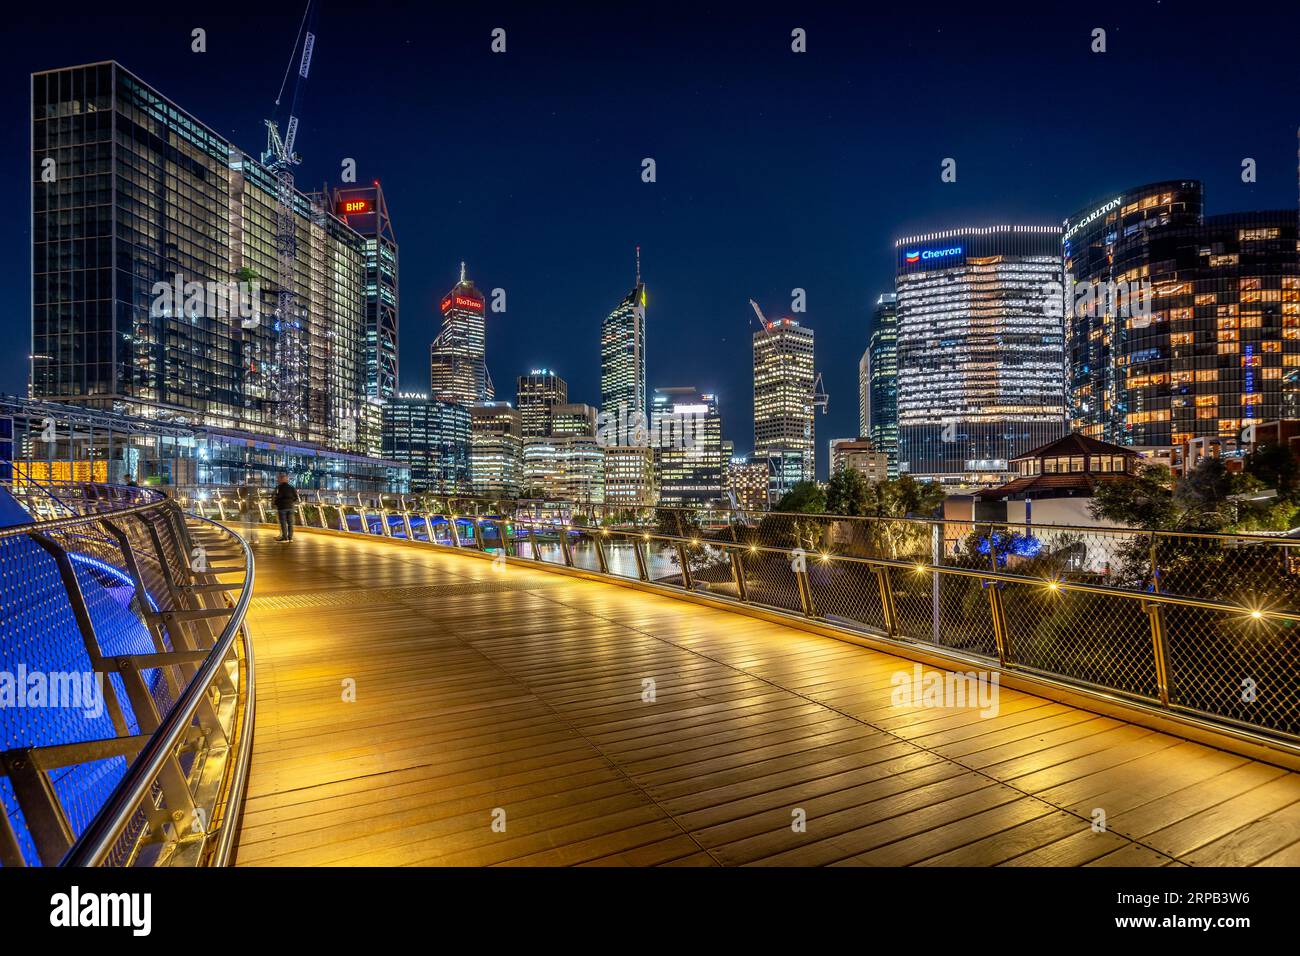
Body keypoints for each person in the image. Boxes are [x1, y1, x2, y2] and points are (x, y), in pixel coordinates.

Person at [272, 473, 299, 542]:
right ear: (286, 480)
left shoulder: (278, 488)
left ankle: (285, 537)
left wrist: (276, 503)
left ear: (281, 479)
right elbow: (296, 497)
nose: (278, 480)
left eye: (279, 479)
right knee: (290, 523)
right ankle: (290, 538)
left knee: (283, 522)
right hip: (290, 507)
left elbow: (276, 497)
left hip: (282, 507)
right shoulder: (291, 487)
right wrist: (291, 502)